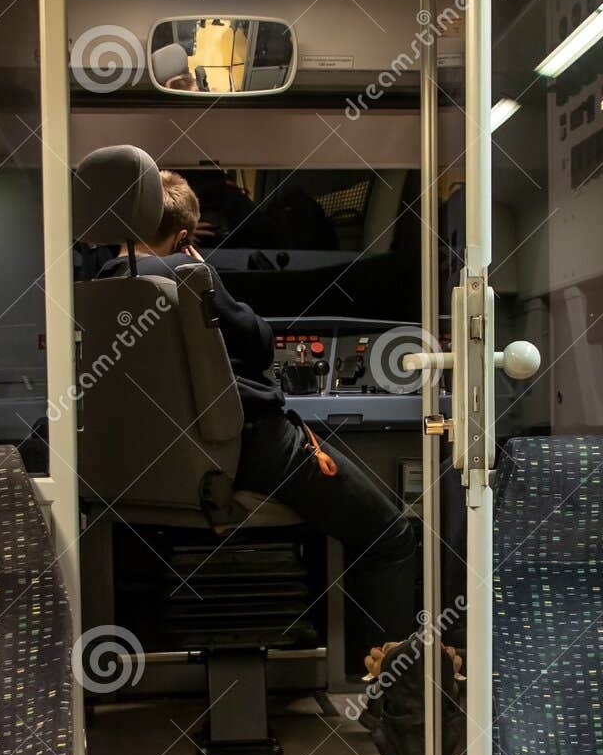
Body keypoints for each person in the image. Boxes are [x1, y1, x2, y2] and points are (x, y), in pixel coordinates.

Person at [95, 170, 418, 671]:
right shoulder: (190, 273)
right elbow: (259, 344)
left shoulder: (97, 293)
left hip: (153, 470)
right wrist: (205, 273)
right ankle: (384, 688)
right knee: (390, 538)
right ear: (185, 235)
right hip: (250, 450)